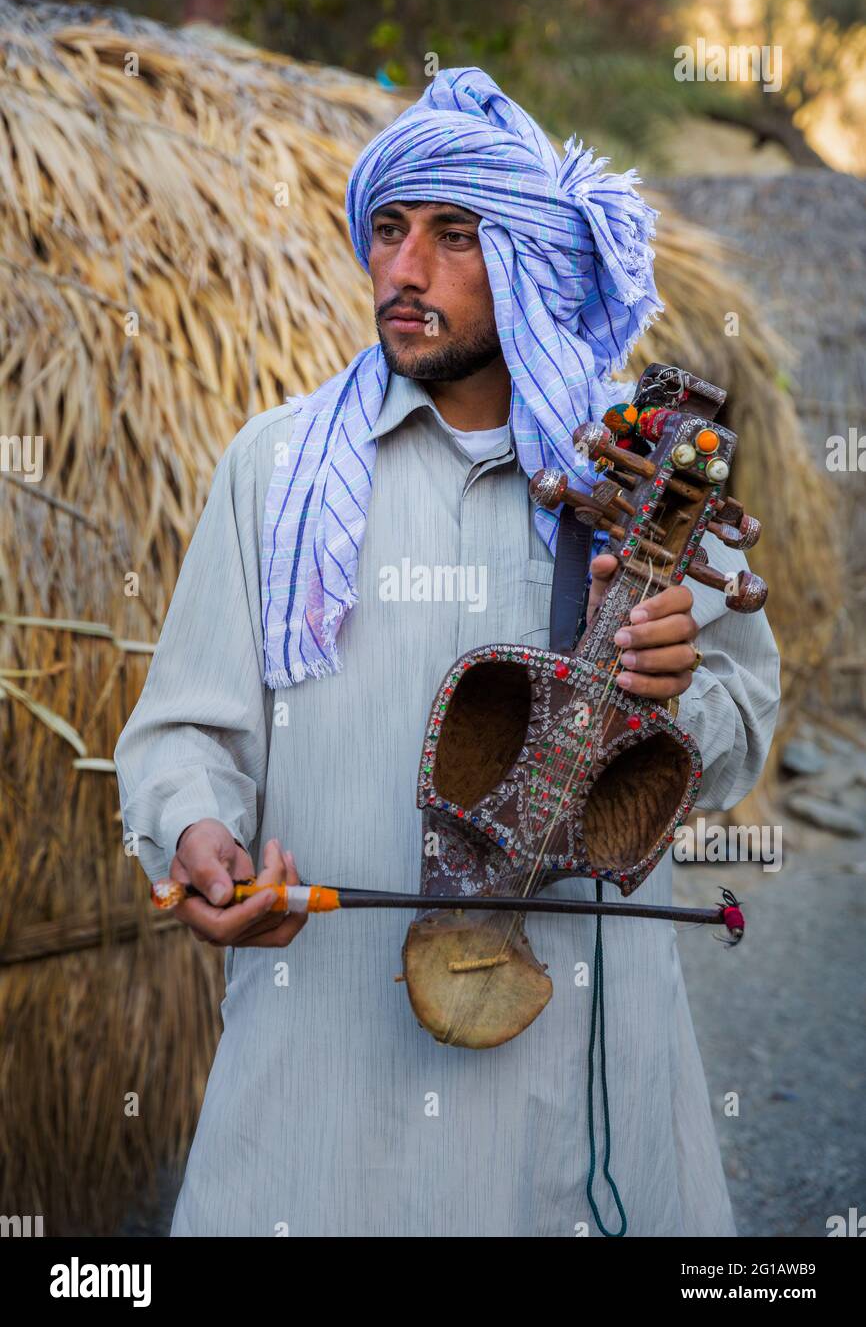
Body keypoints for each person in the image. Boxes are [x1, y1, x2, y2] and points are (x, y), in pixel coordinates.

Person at [114, 67, 781, 1237]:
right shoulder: (274, 470)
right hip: (320, 1085)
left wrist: (676, 701)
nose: (402, 271)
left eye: (451, 234)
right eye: (386, 228)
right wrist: (195, 834)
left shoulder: (641, 474)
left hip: (573, 1102)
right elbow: (186, 731)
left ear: (525, 259)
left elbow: (740, 713)